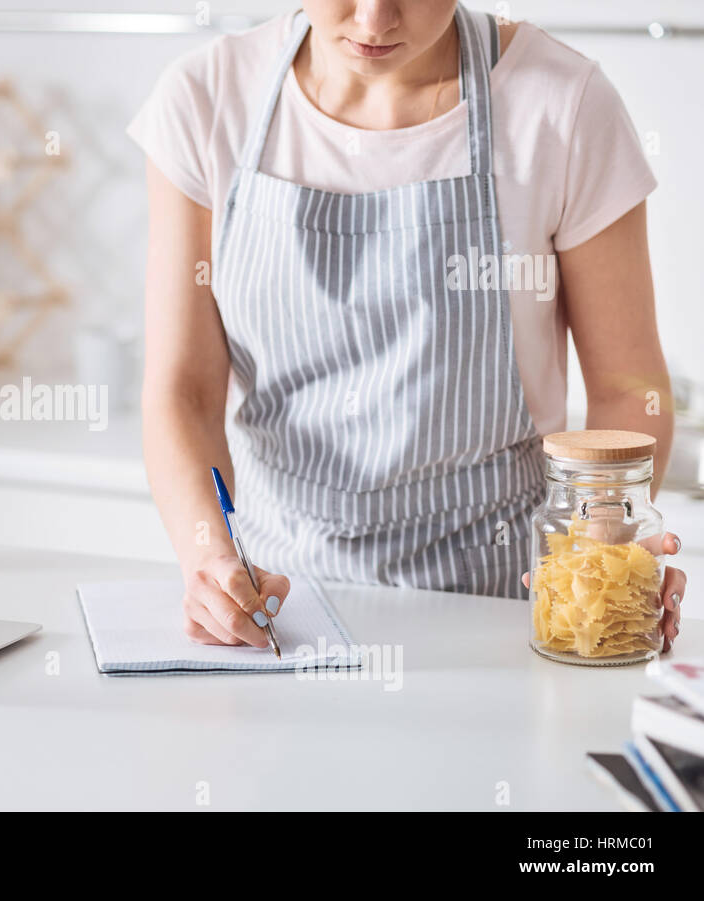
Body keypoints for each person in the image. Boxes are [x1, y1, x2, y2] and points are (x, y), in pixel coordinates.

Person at [129, 1, 685, 649]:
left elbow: (629, 386)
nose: (373, 20)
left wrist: (603, 561)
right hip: (282, 612)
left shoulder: (561, 105)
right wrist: (211, 560)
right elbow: (184, 390)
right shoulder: (206, 100)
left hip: (505, 602)